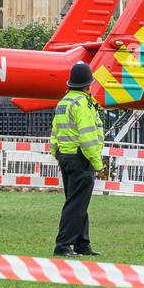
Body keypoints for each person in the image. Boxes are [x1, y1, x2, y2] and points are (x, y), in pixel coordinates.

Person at [51, 62, 105, 257]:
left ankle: (82, 243)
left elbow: (55, 133)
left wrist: (57, 153)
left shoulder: (64, 102)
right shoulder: (82, 104)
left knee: (77, 201)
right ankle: (63, 245)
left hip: (66, 156)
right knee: (76, 203)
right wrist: (98, 164)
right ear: (87, 84)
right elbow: (88, 137)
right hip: (81, 158)